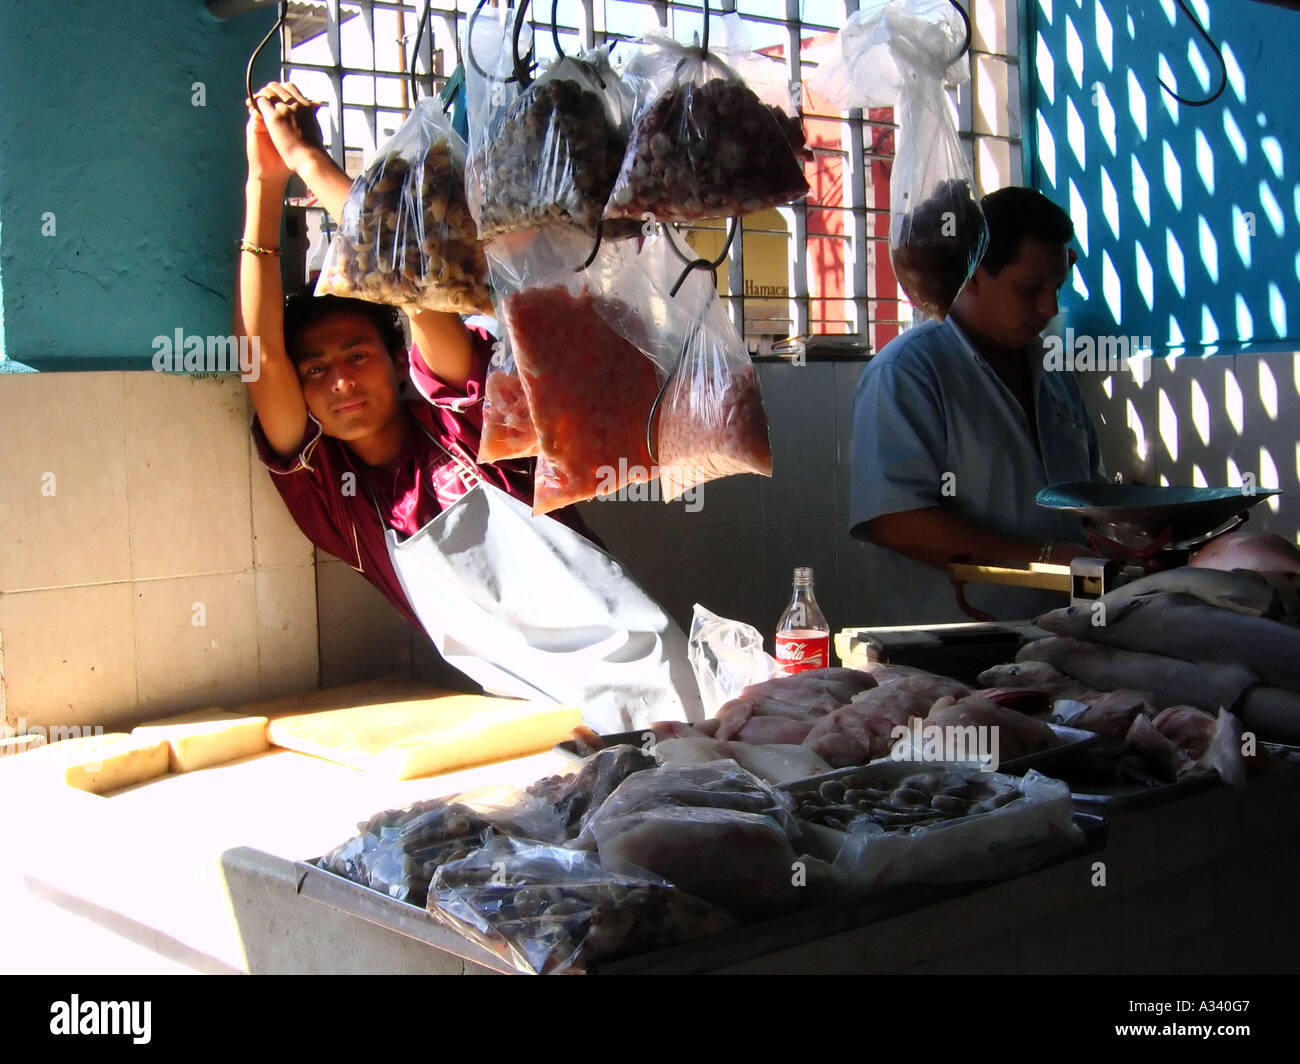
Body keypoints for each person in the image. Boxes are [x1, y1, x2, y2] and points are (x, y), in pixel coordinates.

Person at [237, 82, 594, 631]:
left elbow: (409, 284)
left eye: (357, 356)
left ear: (396, 359)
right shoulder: (332, 492)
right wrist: (262, 185)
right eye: (315, 369)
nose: (340, 383)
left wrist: (306, 162)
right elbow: (260, 361)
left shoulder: (463, 418)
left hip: (628, 649)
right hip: (511, 691)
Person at [849, 186, 1105, 623]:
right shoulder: (907, 372)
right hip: (953, 651)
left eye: (1057, 287)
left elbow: (1091, 499)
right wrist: (1049, 558)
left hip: (1067, 637)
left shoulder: (1055, 373)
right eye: (1030, 289)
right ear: (972, 273)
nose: (1049, 306)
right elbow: (896, 521)